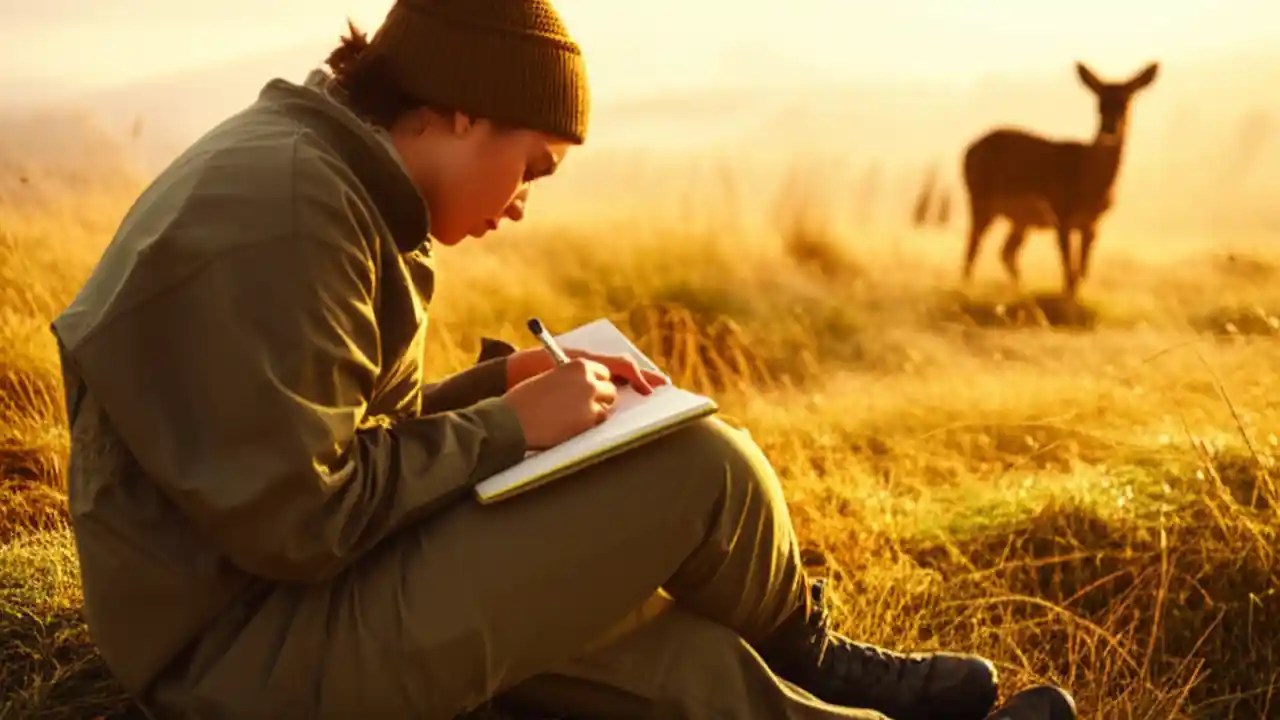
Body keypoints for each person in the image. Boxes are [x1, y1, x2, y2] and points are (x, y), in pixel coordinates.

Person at [50, 1, 1076, 718]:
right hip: (243, 655)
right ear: (460, 108)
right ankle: (809, 653)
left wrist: (495, 387)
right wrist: (509, 429)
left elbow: (324, 440)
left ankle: (840, 701)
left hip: (282, 608)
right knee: (695, 466)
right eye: (532, 166)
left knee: (657, 645)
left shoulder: (331, 181)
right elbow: (300, 520)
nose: (524, 202)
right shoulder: (290, 212)